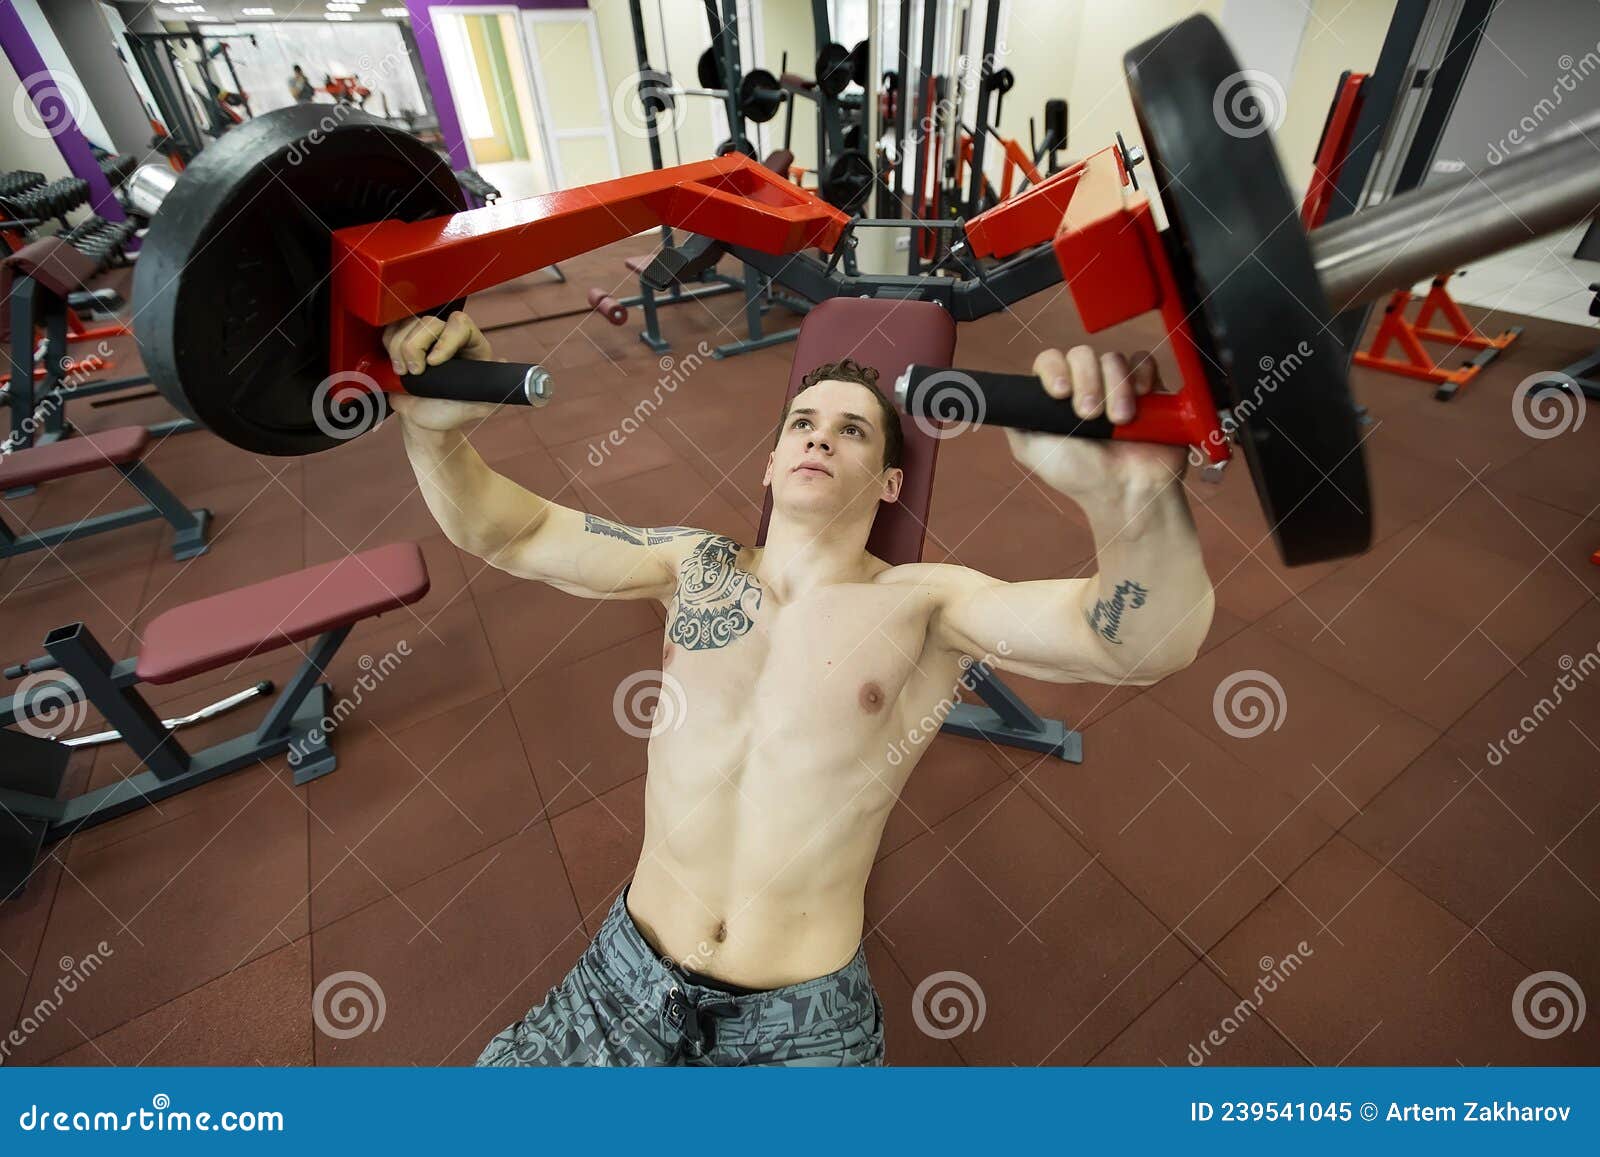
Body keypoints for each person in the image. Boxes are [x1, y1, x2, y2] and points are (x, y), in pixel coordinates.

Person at [382, 310, 1215, 1066]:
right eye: (803, 425)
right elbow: (510, 530)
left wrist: (1133, 499)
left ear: (891, 482)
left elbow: (1135, 643)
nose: (820, 439)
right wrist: (434, 436)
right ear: (771, 461)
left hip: (802, 1025)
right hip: (624, 980)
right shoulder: (689, 565)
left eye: (853, 431)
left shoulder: (926, 604)